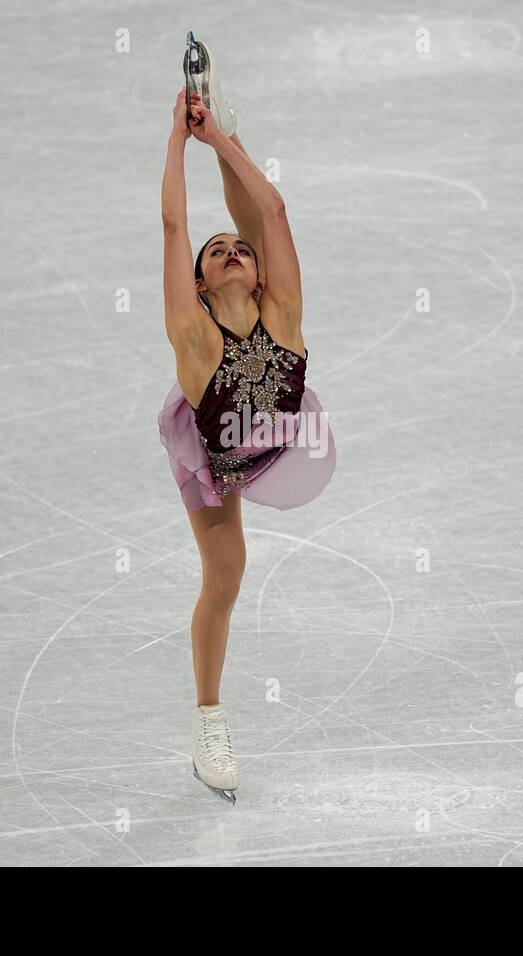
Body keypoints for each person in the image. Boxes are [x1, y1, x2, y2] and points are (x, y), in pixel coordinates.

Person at [158, 39, 336, 801]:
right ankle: (208, 720)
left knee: (259, 204)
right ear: (199, 283)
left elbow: (270, 210)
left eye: (240, 251)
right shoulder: (194, 336)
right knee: (226, 577)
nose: (230, 252)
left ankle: (224, 116)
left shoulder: (284, 313)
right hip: (213, 453)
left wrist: (216, 135)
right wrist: (176, 137)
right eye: (217, 253)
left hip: (282, 441)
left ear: (259, 272)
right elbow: (173, 228)